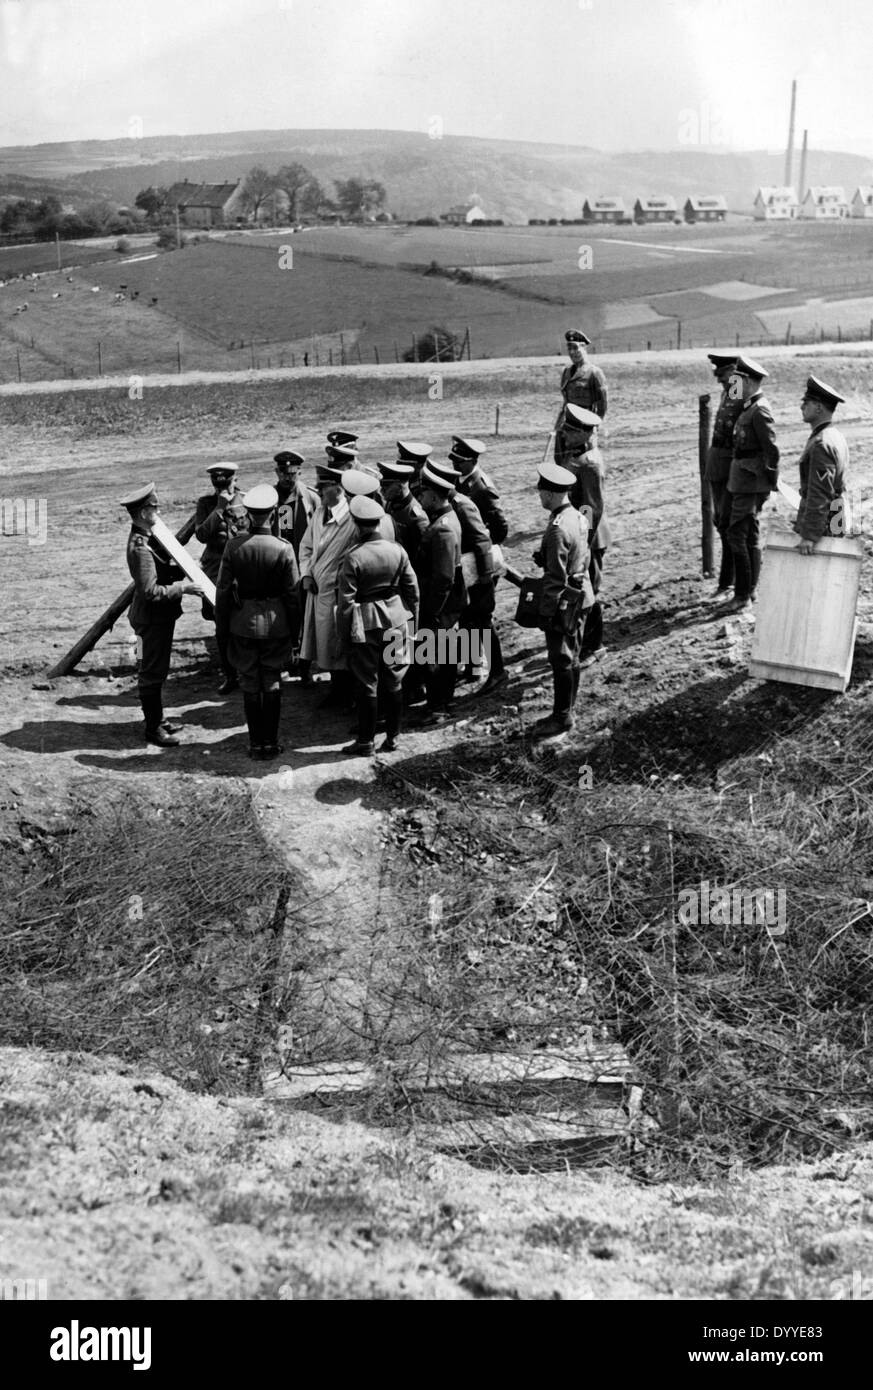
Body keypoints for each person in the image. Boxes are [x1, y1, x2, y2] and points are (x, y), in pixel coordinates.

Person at [214, 485, 300, 760]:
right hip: (276, 625)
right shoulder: (283, 548)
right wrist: (295, 632)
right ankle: (271, 744)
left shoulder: (234, 546)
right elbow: (292, 596)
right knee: (272, 681)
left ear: (250, 515)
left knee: (250, 682)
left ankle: (255, 744)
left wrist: (222, 627)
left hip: (242, 624)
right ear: (273, 515)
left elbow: (223, 592)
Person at [121, 482, 203, 747]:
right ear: (144, 512)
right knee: (151, 672)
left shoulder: (149, 538)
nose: (158, 510)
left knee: (153, 669)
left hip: (154, 619)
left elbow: (162, 570)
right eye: (154, 506)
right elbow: (150, 591)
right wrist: (184, 588)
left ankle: (157, 719)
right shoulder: (140, 547)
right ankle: (153, 727)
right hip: (150, 621)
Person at [336, 495, 419, 756]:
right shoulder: (398, 550)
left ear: (358, 525)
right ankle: (393, 738)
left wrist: (344, 636)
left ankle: (365, 742)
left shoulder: (353, 557)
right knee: (394, 681)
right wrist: (413, 626)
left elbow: (346, 603)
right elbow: (413, 592)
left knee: (367, 683)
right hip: (397, 620)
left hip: (366, 625)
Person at [531, 462, 594, 737]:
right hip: (583, 595)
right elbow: (584, 554)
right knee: (574, 656)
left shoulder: (557, 527)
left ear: (552, 494)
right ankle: (568, 709)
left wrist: (546, 614)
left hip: (565, 602)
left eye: (542, 491)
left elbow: (555, 579)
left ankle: (562, 717)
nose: (539, 496)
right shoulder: (578, 516)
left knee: (561, 659)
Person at [450, 435, 509, 693]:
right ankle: (473, 666)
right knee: (467, 614)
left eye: (459, 461)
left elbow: (500, 527)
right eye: (453, 459)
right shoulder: (458, 481)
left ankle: (497, 671)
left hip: (481, 564)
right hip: (467, 563)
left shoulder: (482, 487)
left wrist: (482, 549)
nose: (454, 464)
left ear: (472, 461)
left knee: (482, 617)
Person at [297, 464, 358, 709]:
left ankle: (349, 694)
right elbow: (306, 548)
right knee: (325, 646)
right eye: (320, 488)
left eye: (325, 488)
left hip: (339, 594)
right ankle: (335, 689)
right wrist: (307, 575)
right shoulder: (320, 514)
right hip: (318, 592)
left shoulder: (352, 517)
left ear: (339, 489)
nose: (320, 493)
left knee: (341, 644)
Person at [725, 355, 779, 614]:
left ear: (746, 380)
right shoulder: (749, 406)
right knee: (749, 536)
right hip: (744, 481)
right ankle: (751, 589)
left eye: (739, 378)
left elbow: (772, 450)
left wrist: (769, 482)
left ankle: (743, 594)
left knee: (737, 535)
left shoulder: (760, 409)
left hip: (750, 483)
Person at [414, 461, 466, 724]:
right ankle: (437, 705)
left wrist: (433, 610)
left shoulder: (443, 528)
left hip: (441, 604)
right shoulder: (446, 519)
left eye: (423, 493)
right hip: (443, 602)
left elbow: (444, 577)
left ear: (434, 495)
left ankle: (438, 708)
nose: (419, 497)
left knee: (439, 657)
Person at [560, 403, 611, 665]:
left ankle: (596, 646)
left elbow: (591, 509)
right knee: (582, 588)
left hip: (590, 537)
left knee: (589, 589)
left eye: (570, 430)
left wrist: (583, 544)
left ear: (583, 433)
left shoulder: (589, 463)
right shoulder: (576, 456)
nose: (565, 434)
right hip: (579, 535)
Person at [194, 462, 244, 694]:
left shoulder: (247, 500)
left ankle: (246, 669)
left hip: (242, 568)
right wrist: (219, 508)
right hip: (216, 569)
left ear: (235, 479)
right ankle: (230, 674)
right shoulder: (206, 504)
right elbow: (202, 535)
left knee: (244, 618)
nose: (222, 488)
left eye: (226, 482)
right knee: (221, 624)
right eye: (217, 484)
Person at [273, 449, 318, 686]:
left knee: (305, 617)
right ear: (277, 472)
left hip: (303, 567)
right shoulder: (269, 498)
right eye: (284, 473)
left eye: (293, 473)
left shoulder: (311, 497)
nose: (288, 478)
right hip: (278, 569)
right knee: (280, 616)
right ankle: (282, 662)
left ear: (299, 472)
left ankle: (305, 666)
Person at [793, 375, 849, 553]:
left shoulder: (821, 444)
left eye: (806, 403)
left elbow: (820, 493)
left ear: (818, 408)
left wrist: (809, 535)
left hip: (825, 523)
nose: (802, 407)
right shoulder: (834, 435)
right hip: (835, 516)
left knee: (818, 577)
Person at [703, 352, 742, 596]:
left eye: (722, 374)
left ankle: (730, 581)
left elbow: (736, 433)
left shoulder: (736, 392)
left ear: (734, 371)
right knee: (722, 524)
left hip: (729, 469)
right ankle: (727, 581)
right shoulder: (727, 392)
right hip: (719, 467)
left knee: (729, 527)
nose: (719, 379)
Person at [554, 329, 608, 465]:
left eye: (575, 348)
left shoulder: (594, 373)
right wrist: (557, 426)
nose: (572, 352)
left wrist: (595, 425)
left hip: (584, 430)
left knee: (585, 466)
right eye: (569, 348)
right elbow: (566, 401)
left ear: (584, 348)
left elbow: (602, 405)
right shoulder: (567, 372)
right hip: (566, 427)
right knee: (562, 466)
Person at [378, 460, 429, 564]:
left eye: (386, 487)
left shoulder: (417, 518)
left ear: (399, 488)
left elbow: (420, 559)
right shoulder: (390, 504)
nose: (382, 491)